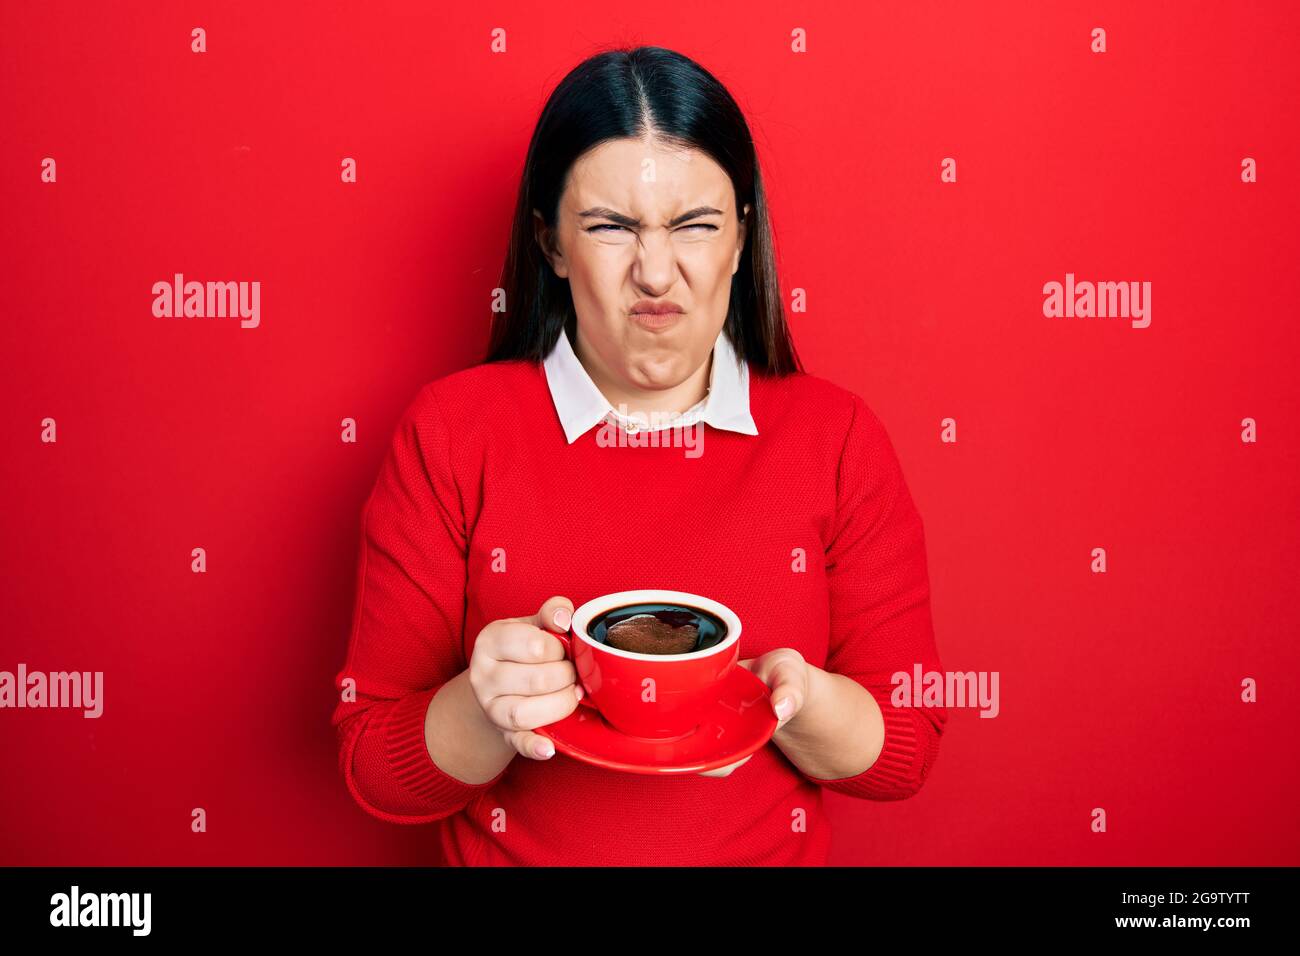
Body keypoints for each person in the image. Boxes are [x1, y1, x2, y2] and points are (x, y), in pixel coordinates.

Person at [331, 45, 946, 866]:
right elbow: (375, 765)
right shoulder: (450, 432)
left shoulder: (836, 439)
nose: (656, 274)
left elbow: (905, 748)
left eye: (693, 226)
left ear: (740, 238)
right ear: (550, 243)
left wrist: (789, 698)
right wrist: (485, 709)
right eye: (611, 227)